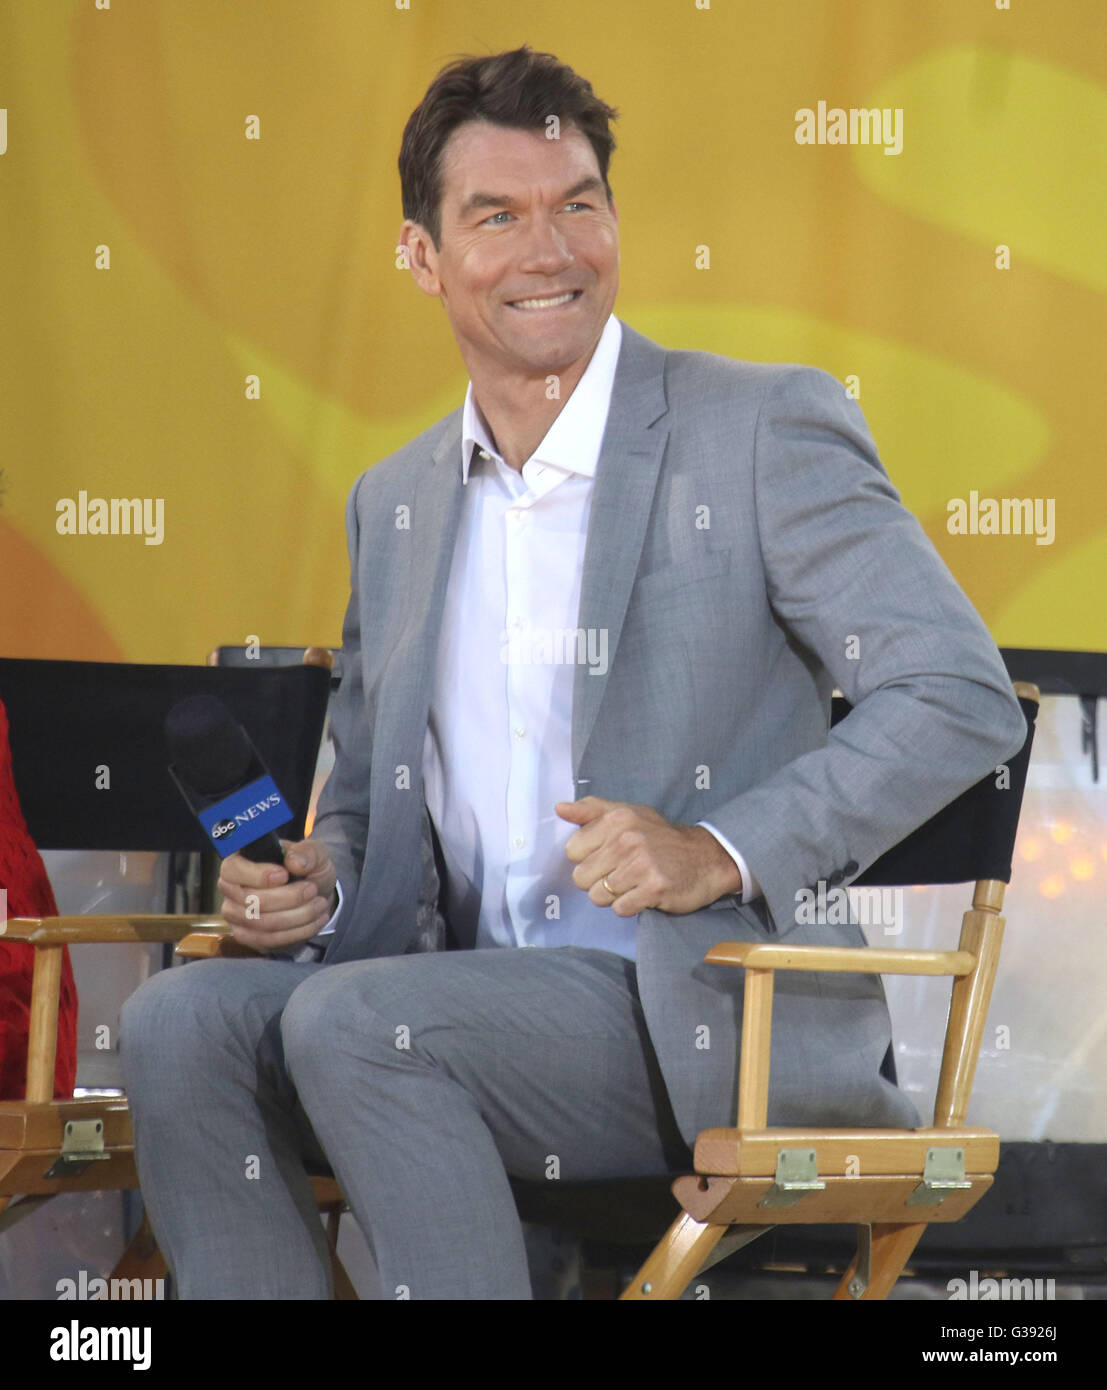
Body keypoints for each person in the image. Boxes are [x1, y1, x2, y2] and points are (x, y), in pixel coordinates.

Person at [121, 46, 1027, 1300]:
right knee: (175, 1021)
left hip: (707, 1012)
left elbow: (961, 694)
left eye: (579, 203)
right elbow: (372, 812)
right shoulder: (393, 503)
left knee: (359, 1024)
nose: (551, 249)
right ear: (422, 257)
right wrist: (318, 889)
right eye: (497, 215)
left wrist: (719, 845)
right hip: (447, 1000)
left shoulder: (757, 429)